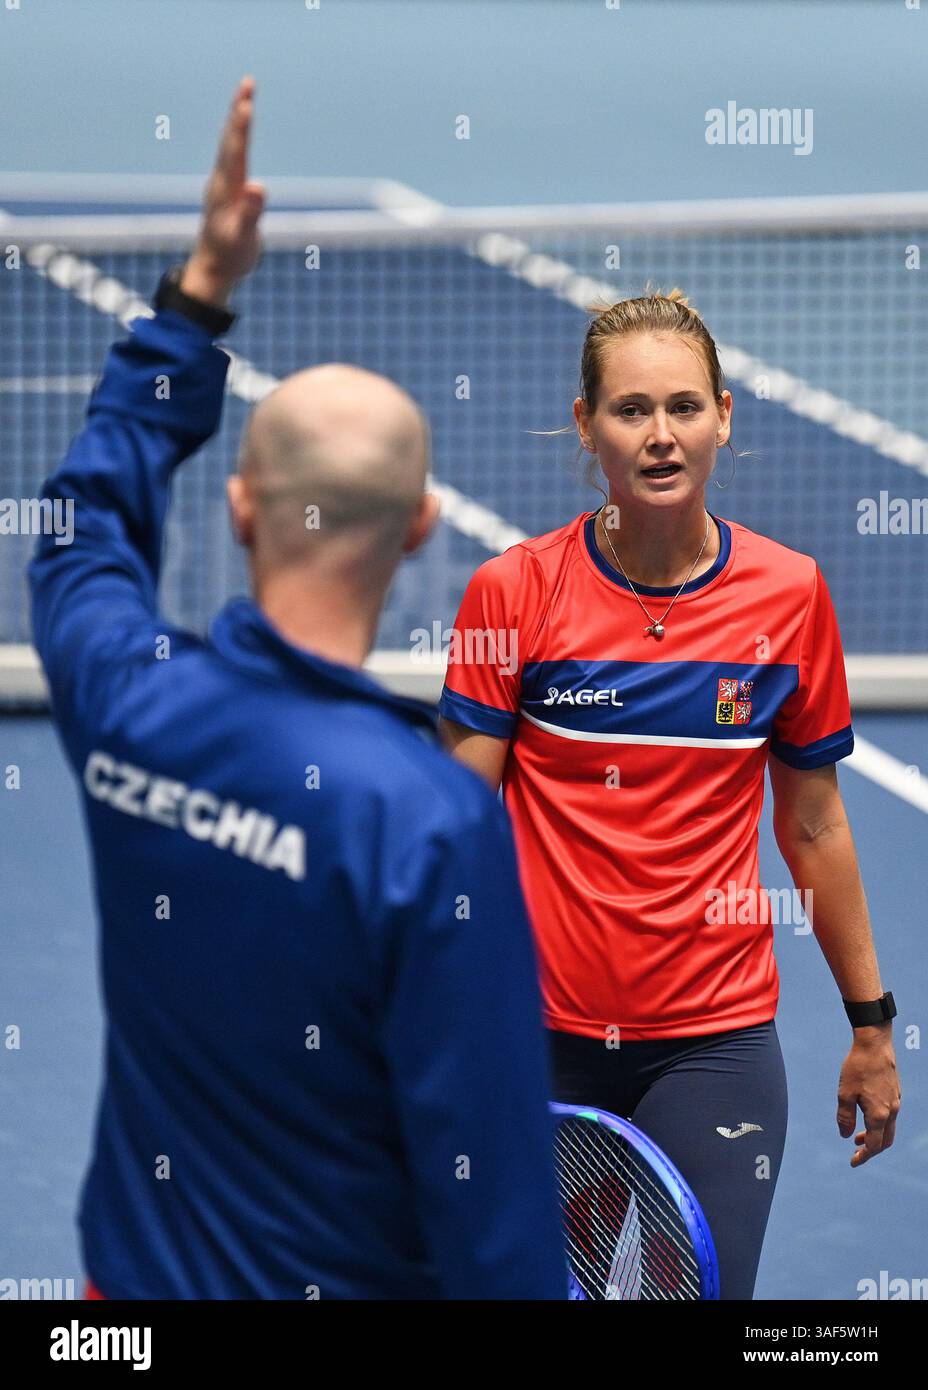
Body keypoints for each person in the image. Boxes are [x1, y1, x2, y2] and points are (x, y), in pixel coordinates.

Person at [29, 77, 566, 1300]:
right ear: (426, 527)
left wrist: (197, 300)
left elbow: (79, 532)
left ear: (240, 502)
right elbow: (488, 1198)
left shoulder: (130, 696)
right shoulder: (429, 821)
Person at [438, 290, 901, 1300]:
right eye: (631, 409)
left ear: (724, 417)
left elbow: (813, 822)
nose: (659, 436)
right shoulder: (510, 594)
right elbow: (450, 834)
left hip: (712, 1048)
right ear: (584, 423)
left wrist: (871, 1024)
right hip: (534, 1039)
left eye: (684, 407)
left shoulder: (788, 595)